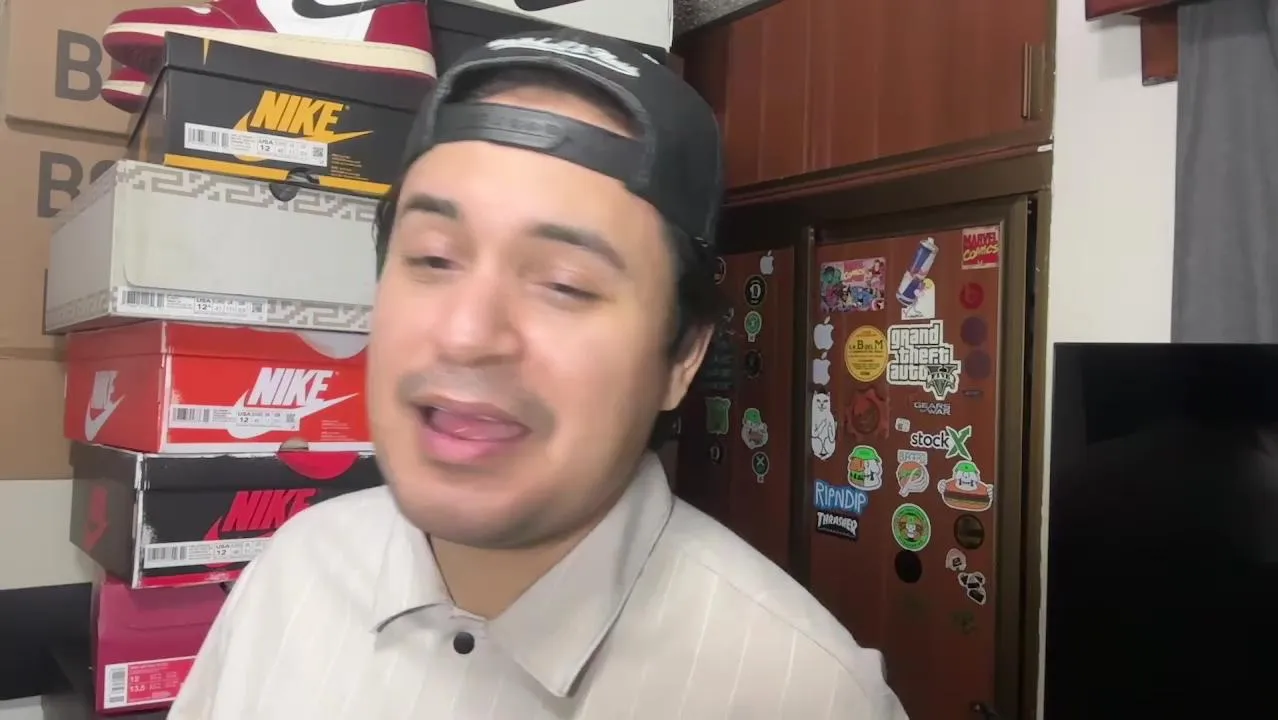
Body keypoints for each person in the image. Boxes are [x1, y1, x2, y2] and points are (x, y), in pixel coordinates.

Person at [168, 28, 908, 719]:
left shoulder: (803, 692)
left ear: (683, 356)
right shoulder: (292, 575)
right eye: (433, 258)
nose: (466, 334)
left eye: (564, 283)